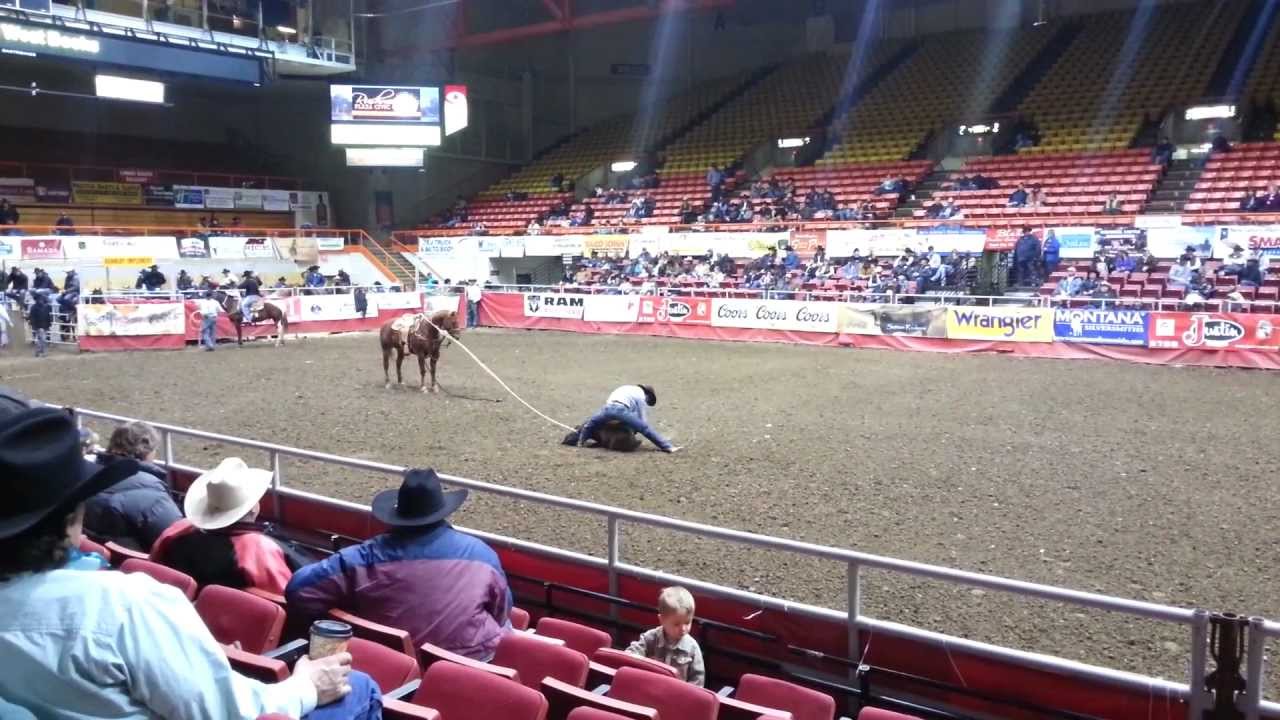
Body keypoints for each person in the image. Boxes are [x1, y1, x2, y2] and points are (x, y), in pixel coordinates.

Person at [0, 402, 377, 719]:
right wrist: (305, 686)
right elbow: (226, 711)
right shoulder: (126, 605)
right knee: (360, 686)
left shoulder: (174, 534)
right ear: (70, 518)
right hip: (238, 691)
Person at [287, 468, 513, 661]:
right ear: (442, 512)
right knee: (510, 627)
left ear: (397, 515)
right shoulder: (482, 555)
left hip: (388, 663)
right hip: (469, 663)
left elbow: (298, 589)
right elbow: (502, 612)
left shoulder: (361, 559)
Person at [150, 457, 294, 594]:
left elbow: (154, 565)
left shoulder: (178, 530)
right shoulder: (258, 549)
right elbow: (286, 597)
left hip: (186, 605)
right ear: (254, 507)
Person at [83, 421, 182, 552]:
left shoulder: (85, 473)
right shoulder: (152, 491)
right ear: (148, 451)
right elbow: (175, 540)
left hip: (100, 552)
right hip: (139, 560)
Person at [625, 586, 705, 687]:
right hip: (649, 687)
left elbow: (697, 680)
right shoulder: (650, 638)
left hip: (676, 695)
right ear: (661, 620)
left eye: (687, 622)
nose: (683, 628)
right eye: (676, 624)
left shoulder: (692, 647)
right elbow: (630, 654)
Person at [572, 384, 679, 453]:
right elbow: (643, 421)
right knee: (645, 428)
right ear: (647, 394)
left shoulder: (626, 388)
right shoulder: (641, 396)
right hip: (621, 410)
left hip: (608, 408)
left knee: (589, 425)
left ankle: (580, 442)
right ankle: (668, 447)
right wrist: (637, 427)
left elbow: (610, 403)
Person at [29, 291, 52, 357]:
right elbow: (32, 317)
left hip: (44, 325)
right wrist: (34, 326)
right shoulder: (34, 307)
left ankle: (38, 351)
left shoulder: (45, 307)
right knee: (43, 338)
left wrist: (49, 323)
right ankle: (43, 352)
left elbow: (48, 316)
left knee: (41, 339)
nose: (41, 300)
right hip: (39, 326)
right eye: (40, 299)